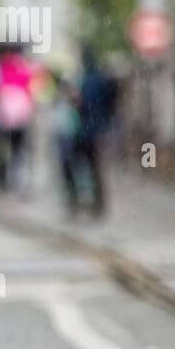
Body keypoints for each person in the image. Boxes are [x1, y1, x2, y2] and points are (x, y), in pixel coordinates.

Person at [57, 45, 118, 219]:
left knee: (77, 166)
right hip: (91, 129)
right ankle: (94, 203)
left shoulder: (87, 80)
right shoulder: (100, 78)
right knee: (93, 167)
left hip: (83, 130)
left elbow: (82, 103)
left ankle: (79, 202)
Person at [0, 44, 38, 195]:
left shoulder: (0, 68)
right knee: (17, 151)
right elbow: (31, 92)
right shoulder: (24, 69)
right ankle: (13, 181)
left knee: (5, 151)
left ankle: (4, 181)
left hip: (5, 119)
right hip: (18, 120)